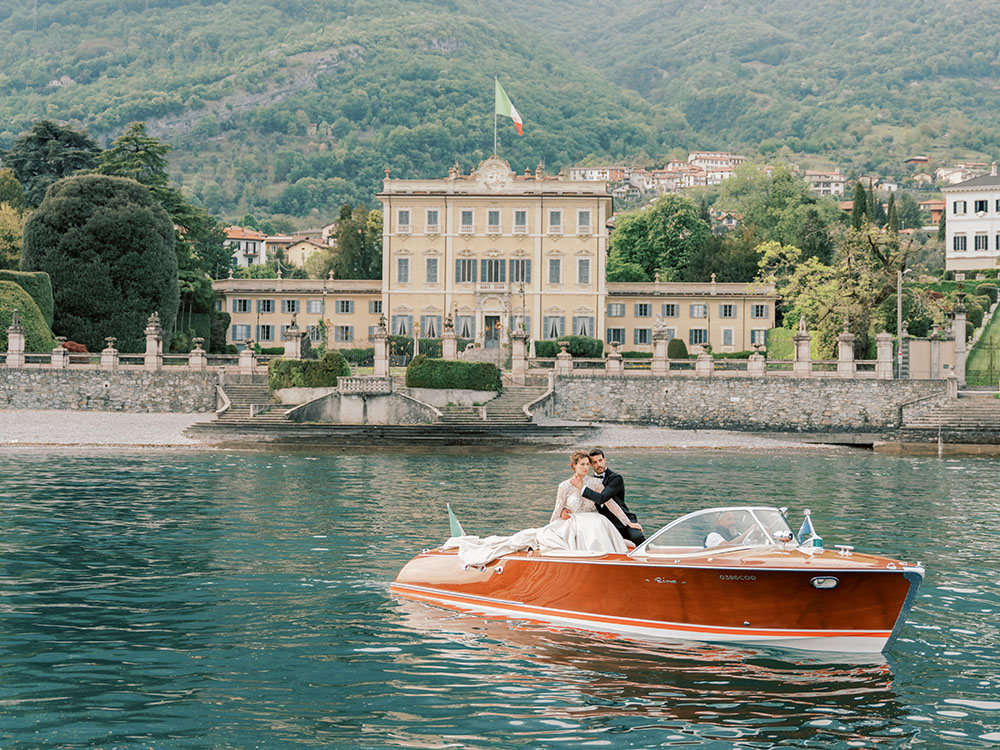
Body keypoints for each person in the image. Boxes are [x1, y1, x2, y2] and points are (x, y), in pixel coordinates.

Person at [540, 451, 628, 554]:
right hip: (572, 520)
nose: (586, 467)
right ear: (574, 465)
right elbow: (558, 509)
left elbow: (611, 504)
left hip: (591, 518)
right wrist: (551, 525)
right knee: (548, 535)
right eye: (582, 464)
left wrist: (628, 522)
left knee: (596, 525)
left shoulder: (595, 483)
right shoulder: (564, 486)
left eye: (587, 464)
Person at [581, 448, 645, 546]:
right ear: (591, 465)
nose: (599, 465)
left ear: (605, 460)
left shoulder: (615, 478)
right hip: (605, 523)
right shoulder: (590, 482)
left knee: (637, 537)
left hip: (623, 521)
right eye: (594, 462)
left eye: (600, 460)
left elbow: (602, 498)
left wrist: (583, 489)